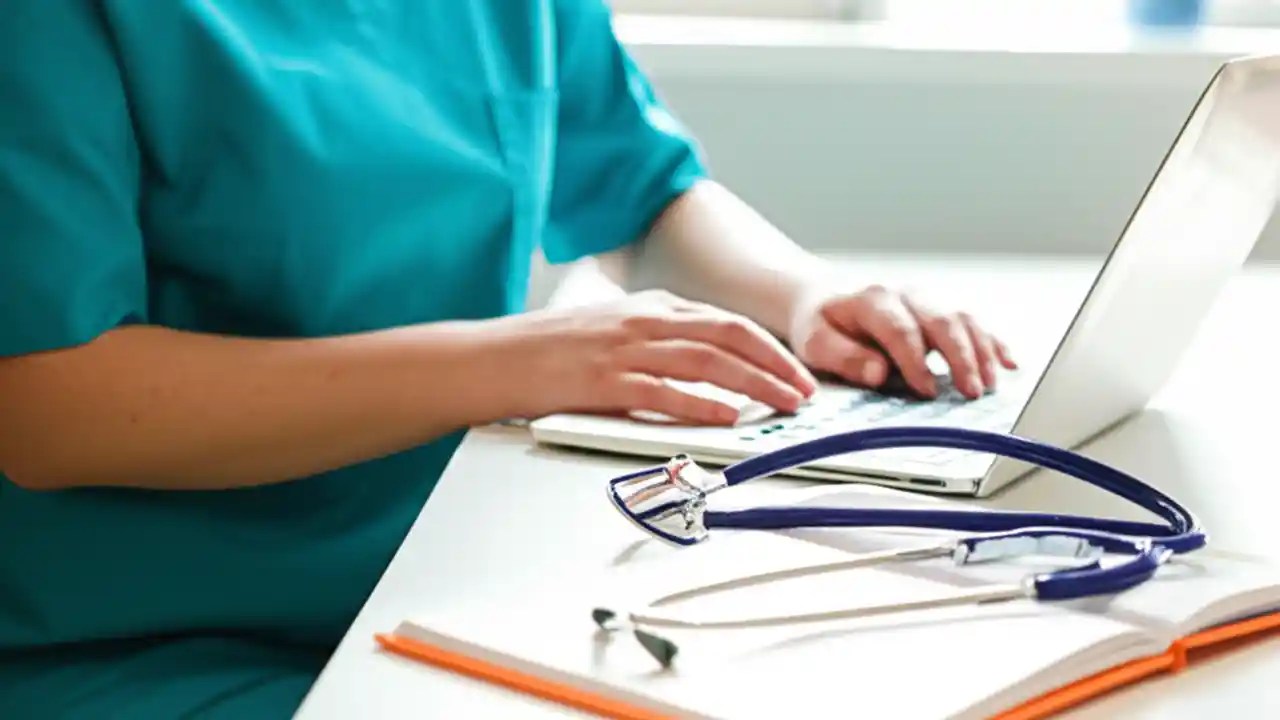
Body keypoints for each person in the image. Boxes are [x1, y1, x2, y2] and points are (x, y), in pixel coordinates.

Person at [0, 1, 1016, 717]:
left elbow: (640, 189)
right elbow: (48, 408)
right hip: (148, 646)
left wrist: (803, 296)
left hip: (456, 583)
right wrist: (522, 361)